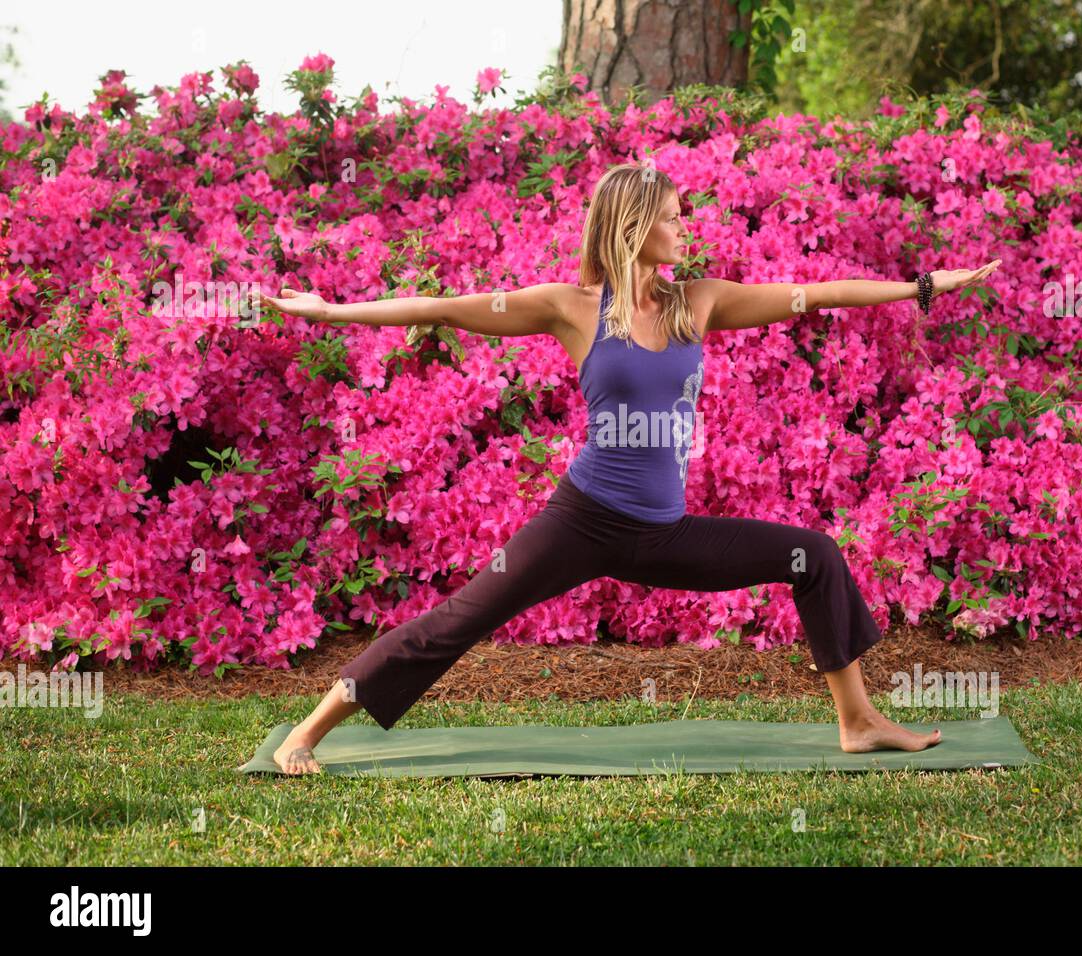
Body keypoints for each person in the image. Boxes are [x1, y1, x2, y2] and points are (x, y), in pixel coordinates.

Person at [256, 163, 1001, 775]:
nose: (685, 228)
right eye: (673, 217)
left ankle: (859, 721)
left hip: (664, 533)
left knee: (815, 556)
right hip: (582, 521)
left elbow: (820, 295)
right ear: (632, 225)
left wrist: (924, 286)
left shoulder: (699, 301)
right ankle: (308, 731)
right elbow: (445, 308)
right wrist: (332, 313)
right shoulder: (570, 307)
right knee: (456, 622)